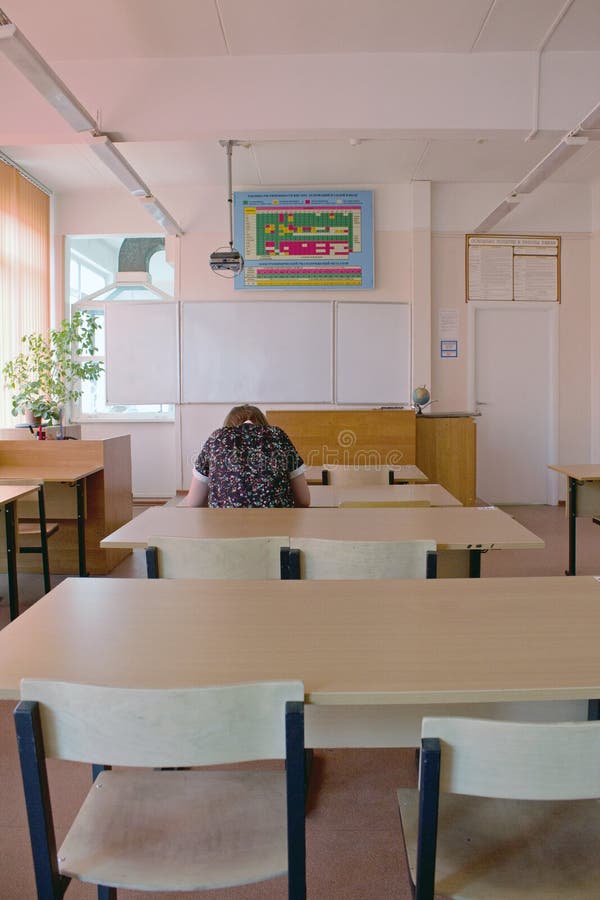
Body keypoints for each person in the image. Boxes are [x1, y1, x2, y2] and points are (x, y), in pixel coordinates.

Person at [180, 404, 310, 508]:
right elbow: (304, 500)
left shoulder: (217, 438)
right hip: (276, 533)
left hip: (223, 533)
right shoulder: (278, 436)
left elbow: (194, 502)